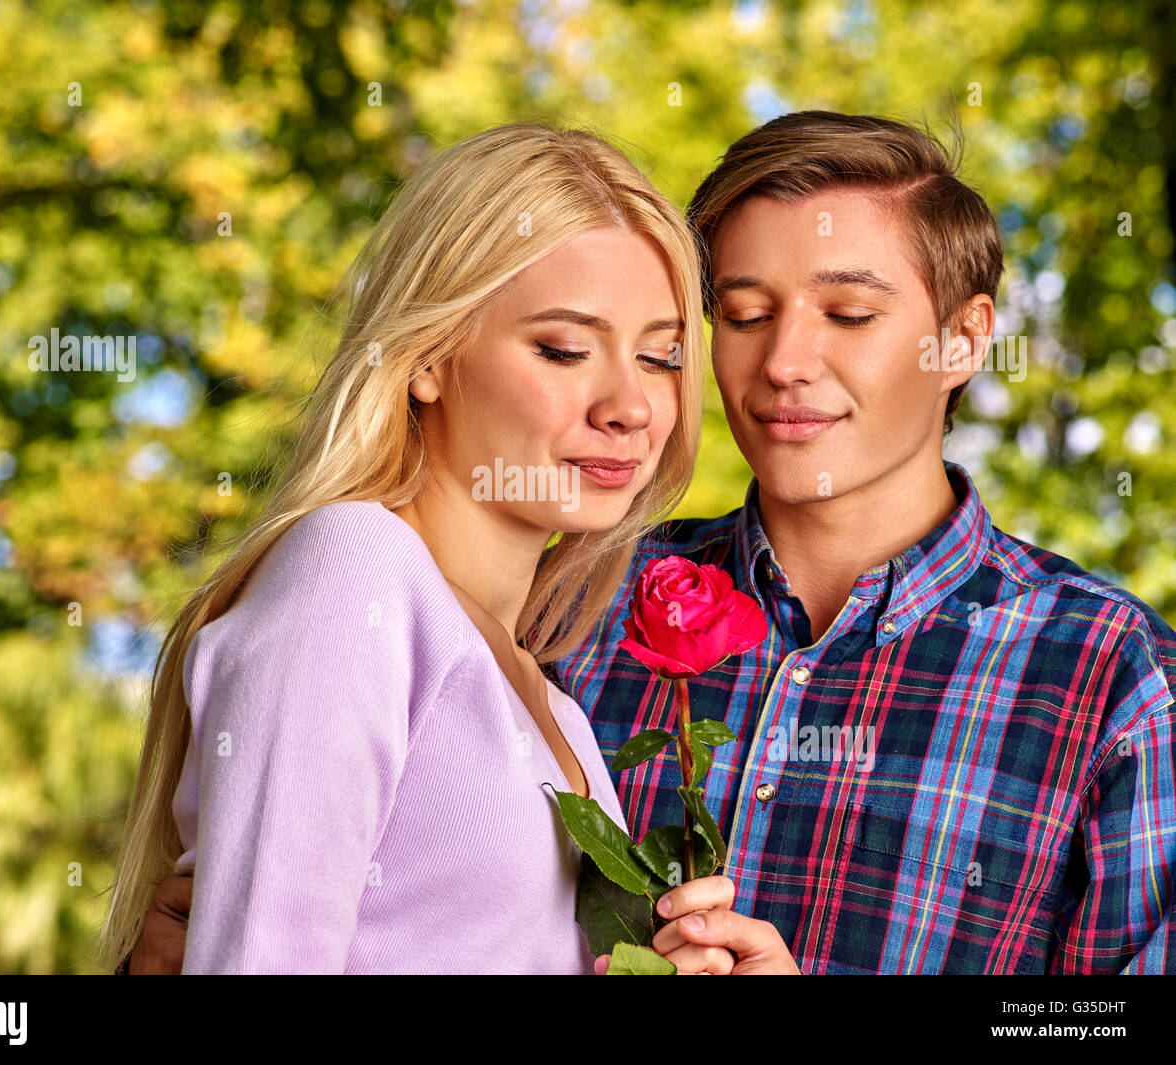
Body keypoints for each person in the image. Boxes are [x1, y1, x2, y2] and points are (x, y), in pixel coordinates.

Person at [126, 110, 1176, 976]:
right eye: (743, 314)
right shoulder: (571, 612)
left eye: (849, 314)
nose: (786, 362)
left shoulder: (1111, 674)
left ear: (964, 338)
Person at [101, 122, 746, 975]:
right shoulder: (354, 568)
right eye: (563, 349)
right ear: (427, 356)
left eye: (661, 357)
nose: (630, 405)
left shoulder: (552, 703)